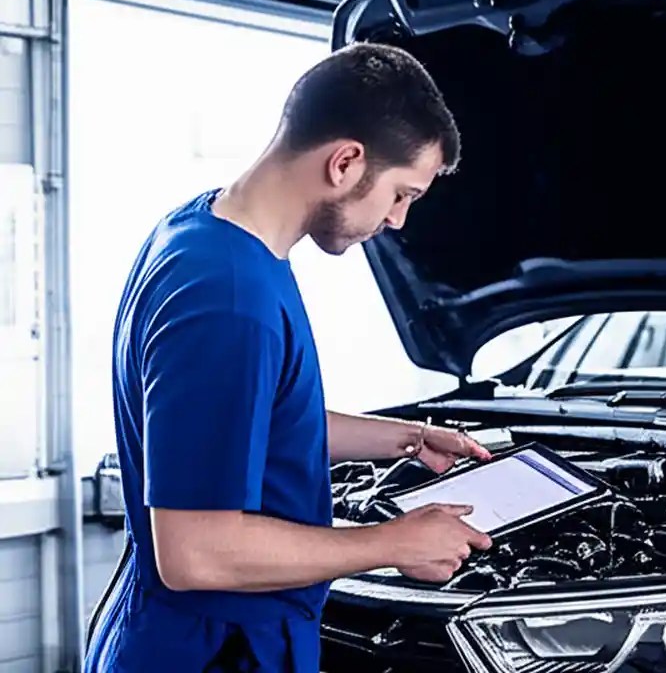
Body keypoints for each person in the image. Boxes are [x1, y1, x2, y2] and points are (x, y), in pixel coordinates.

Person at [85, 42, 493, 673]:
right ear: (346, 162)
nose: (398, 221)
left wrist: (409, 438)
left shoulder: (207, 235)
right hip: (210, 651)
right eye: (400, 193)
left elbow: (258, 420)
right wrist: (390, 543)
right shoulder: (228, 296)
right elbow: (197, 553)